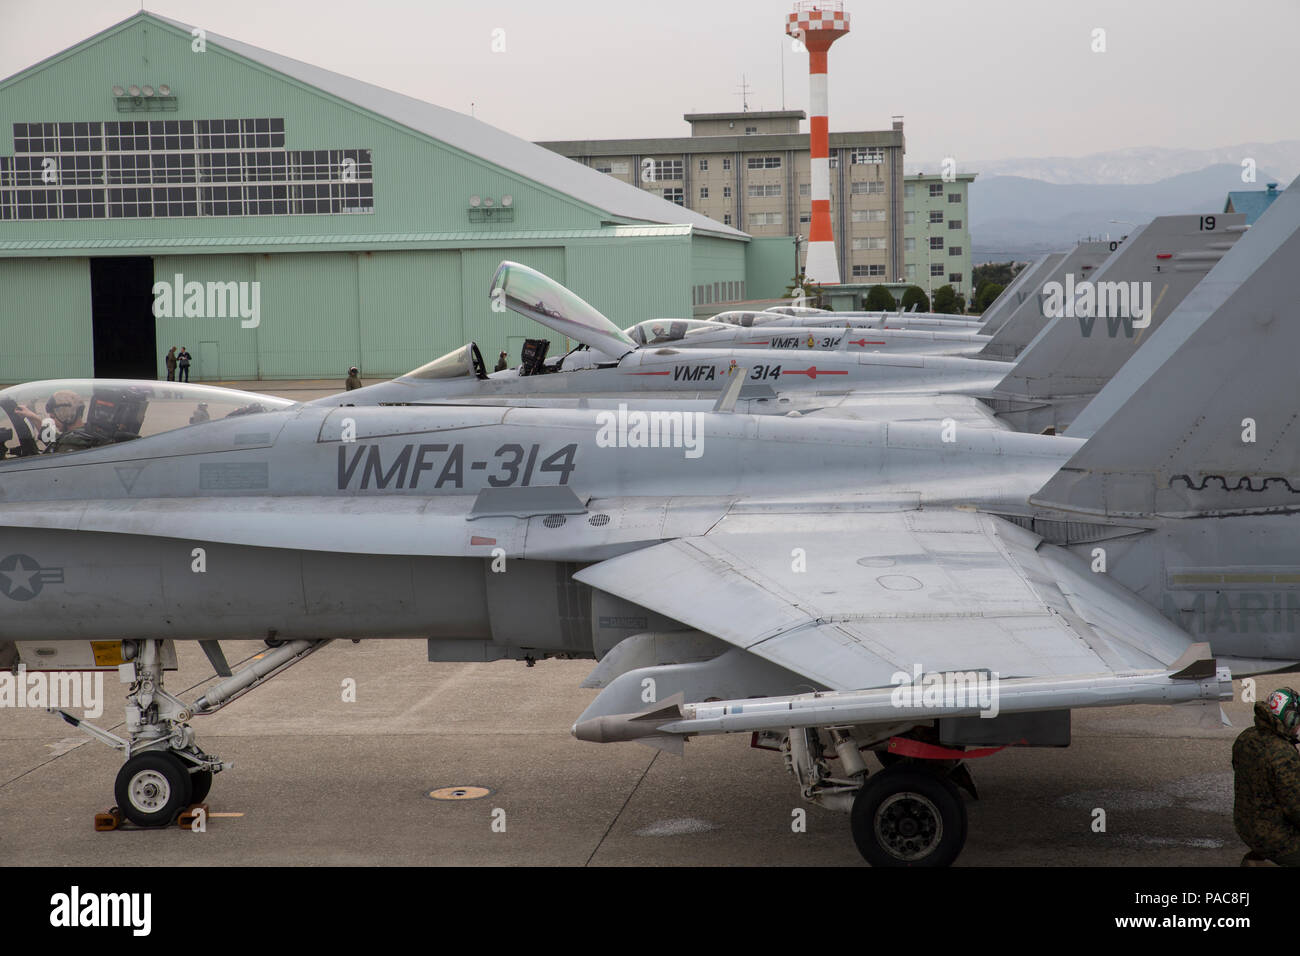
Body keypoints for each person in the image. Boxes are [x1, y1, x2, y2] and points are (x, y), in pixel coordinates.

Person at [1232, 686, 1300, 865]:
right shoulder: (1282, 752)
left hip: (1245, 825)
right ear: (1289, 718)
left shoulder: (1245, 737)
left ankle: (1255, 860)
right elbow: (1295, 807)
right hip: (1273, 835)